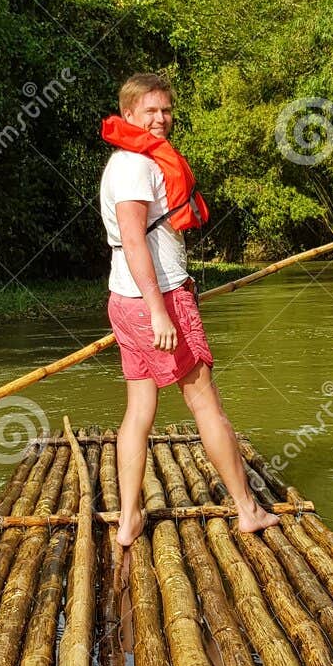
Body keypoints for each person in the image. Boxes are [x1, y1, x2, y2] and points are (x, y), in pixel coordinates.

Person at [99, 70, 281, 550]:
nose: (160, 119)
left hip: (124, 300)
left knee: (139, 409)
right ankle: (247, 509)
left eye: (166, 110)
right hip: (155, 301)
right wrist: (161, 312)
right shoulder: (137, 166)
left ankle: (129, 517)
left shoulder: (123, 162)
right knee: (206, 405)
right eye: (150, 111)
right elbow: (135, 241)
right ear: (128, 115)